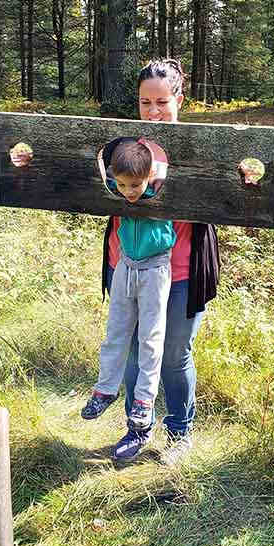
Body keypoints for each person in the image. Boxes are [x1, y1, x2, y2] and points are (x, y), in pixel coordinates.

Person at [82, 59, 220, 464]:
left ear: (180, 99)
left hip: (181, 271)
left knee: (174, 354)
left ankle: (179, 433)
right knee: (131, 351)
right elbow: (90, 178)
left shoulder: (201, 150)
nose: (153, 111)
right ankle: (137, 428)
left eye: (162, 102)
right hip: (125, 264)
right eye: (145, 103)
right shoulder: (125, 147)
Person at [86, 137, 176, 433]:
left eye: (135, 185)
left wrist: (155, 170)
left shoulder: (160, 187)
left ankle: (144, 400)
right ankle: (105, 389)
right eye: (123, 185)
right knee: (115, 332)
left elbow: (171, 170)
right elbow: (97, 166)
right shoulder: (115, 188)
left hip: (155, 269)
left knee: (150, 338)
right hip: (125, 266)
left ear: (149, 176)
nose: (129, 192)